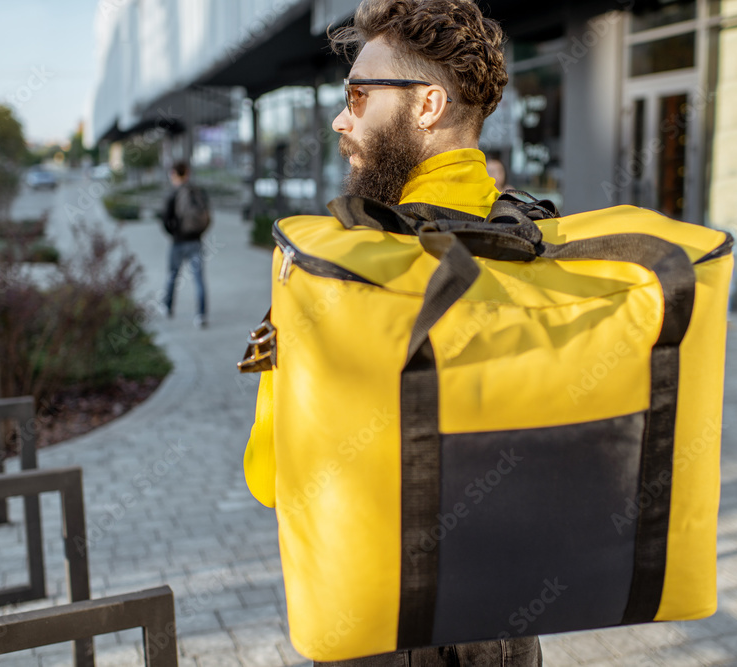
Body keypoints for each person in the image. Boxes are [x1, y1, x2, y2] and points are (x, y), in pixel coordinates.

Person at [245, 0, 542, 664]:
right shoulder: (530, 240)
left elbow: (271, 476)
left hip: (380, 616)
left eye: (358, 96)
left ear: (428, 106)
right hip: (508, 616)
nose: (340, 118)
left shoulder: (342, 270)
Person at [160, 160, 209, 328]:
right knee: (199, 279)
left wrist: (174, 233)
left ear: (174, 174)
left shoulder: (173, 193)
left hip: (178, 242)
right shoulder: (198, 191)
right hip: (196, 241)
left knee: (172, 275)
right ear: (187, 173)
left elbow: (165, 219)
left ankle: (167, 307)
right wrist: (199, 233)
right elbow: (208, 216)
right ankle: (201, 314)